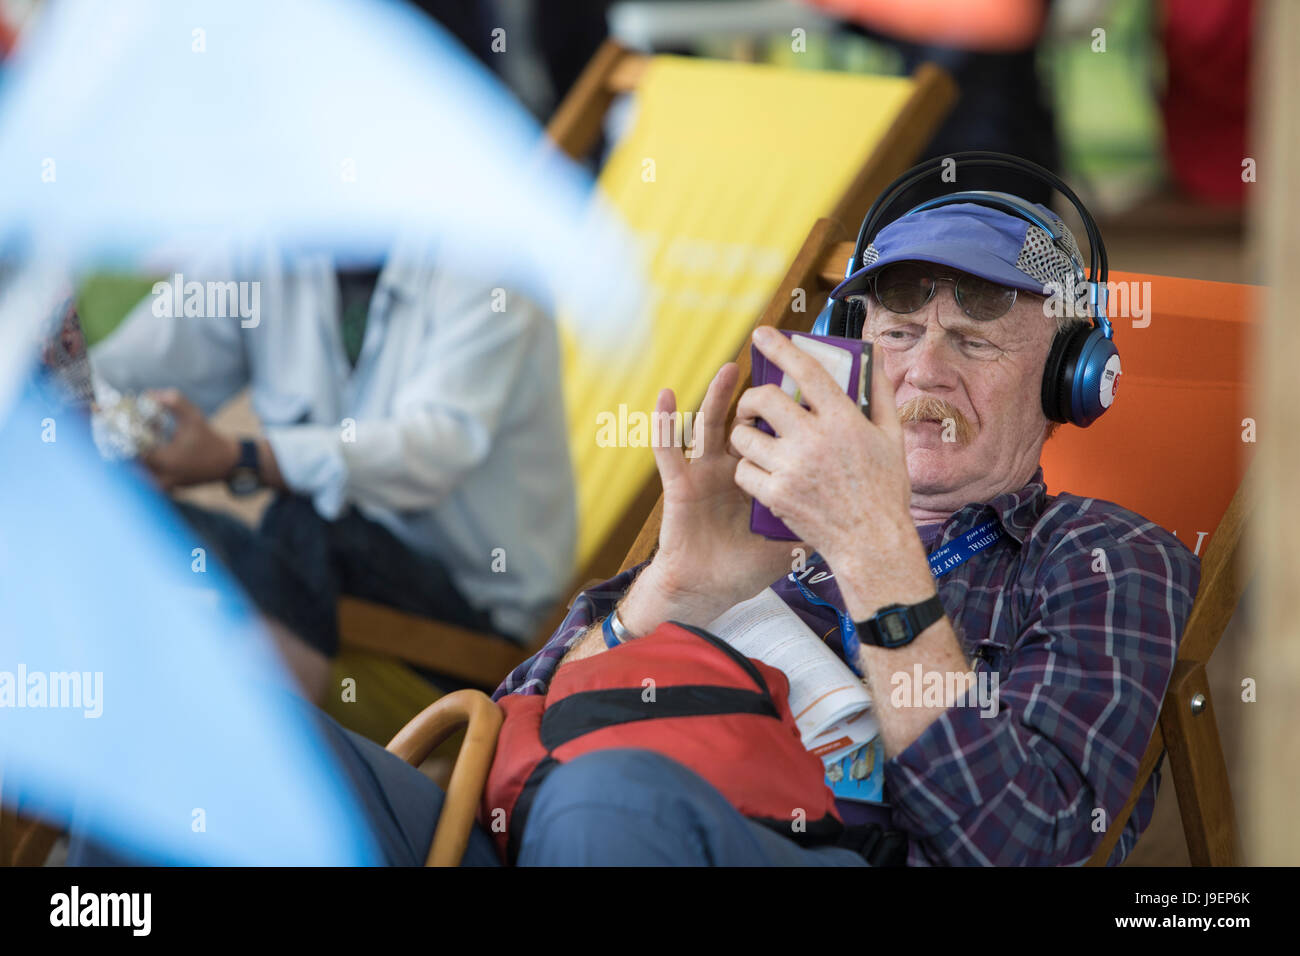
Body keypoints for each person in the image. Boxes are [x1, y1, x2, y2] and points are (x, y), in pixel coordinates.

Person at [72, 191, 1198, 867]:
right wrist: (680, 583)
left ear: (1069, 372)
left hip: (759, 842)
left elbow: (1025, 839)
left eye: (980, 334)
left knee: (610, 796)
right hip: (528, 831)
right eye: (898, 328)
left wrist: (874, 554)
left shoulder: (1103, 557)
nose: (924, 369)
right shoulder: (765, 516)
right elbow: (512, 733)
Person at [90, 240, 577, 692]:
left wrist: (241, 458)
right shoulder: (263, 249)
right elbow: (125, 370)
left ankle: (263, 744)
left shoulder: (489, 263)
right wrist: (54, 383)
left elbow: (432, 451)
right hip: (330, 575)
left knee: (303, 522)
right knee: (149, 527)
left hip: (476, 617)